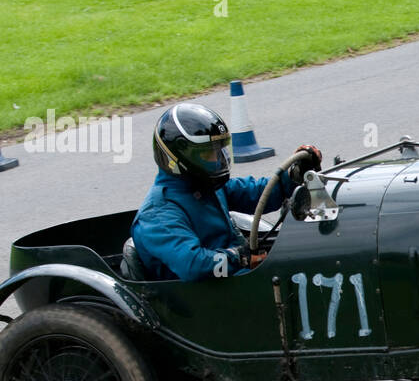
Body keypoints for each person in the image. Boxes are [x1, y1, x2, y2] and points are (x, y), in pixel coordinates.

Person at [132, 102, 322, 281]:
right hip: (206, 299)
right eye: (209, 154)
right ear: (178, 157)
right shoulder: (158, 214)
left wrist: (293, 175)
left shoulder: (207, 187)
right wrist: (240, 258)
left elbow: (256, 194)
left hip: (236, 280)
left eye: (220, 151)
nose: (219, 160)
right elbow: (194, 265)